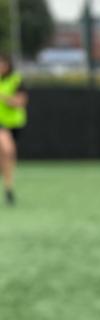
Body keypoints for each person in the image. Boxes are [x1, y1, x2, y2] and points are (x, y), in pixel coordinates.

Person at [0, 54, 28, 206]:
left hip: (14, 124)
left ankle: (8, 188)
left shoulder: (16, 80)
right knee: (8, 150)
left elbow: (20, 102)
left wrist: (4, 98)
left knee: (7, 158)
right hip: (1, 124)